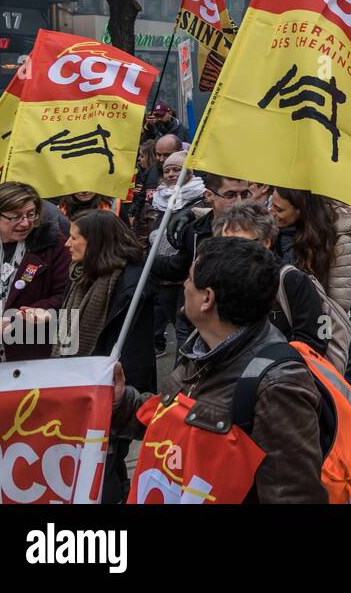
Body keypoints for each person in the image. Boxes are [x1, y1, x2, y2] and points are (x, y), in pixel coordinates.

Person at [111, 236, 329, 503]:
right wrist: (121, 403)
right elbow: (172, 423)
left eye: (190, 278)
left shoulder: (277, 384)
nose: (184, 285)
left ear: (207, 299)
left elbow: (295, 495)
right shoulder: (199, 346)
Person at [56, 209, 155, 502]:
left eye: (74, 238)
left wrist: (121, 401)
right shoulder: (80, 275)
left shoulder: (129, 288)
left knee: (102, 464)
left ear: (96, 243)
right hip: (80, 385)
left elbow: (135, 354)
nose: (67, 244)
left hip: (111, 395)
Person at [212, 200, 331, 357]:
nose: (231, 251)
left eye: (239, 243)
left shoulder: (292, 281)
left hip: (283, 375)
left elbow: (314, 343)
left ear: (266, 242)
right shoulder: (219, 280)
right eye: (225, 243)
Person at [151, 174, 252, 355]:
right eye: (230, 195)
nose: (239, 202)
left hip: (238, 323)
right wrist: (148, 261)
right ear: (209, 196)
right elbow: (181, 266)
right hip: (194, 320)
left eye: (245, 194)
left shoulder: (260, 230)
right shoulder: (196, 230)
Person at [0, 181, 71, 361]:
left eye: (31, 214)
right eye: (16, 216)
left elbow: (66, 296)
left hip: (30, 356)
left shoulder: (53, 245)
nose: (25, 222)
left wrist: (19, 319)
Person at [270, 186, 351, 316]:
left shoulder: (338, 241)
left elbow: (340, 303)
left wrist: (322, 331)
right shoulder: (273, 232)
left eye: (279, 209)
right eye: (271, 204)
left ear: (301, 211)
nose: (271, 212)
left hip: (315, 322)